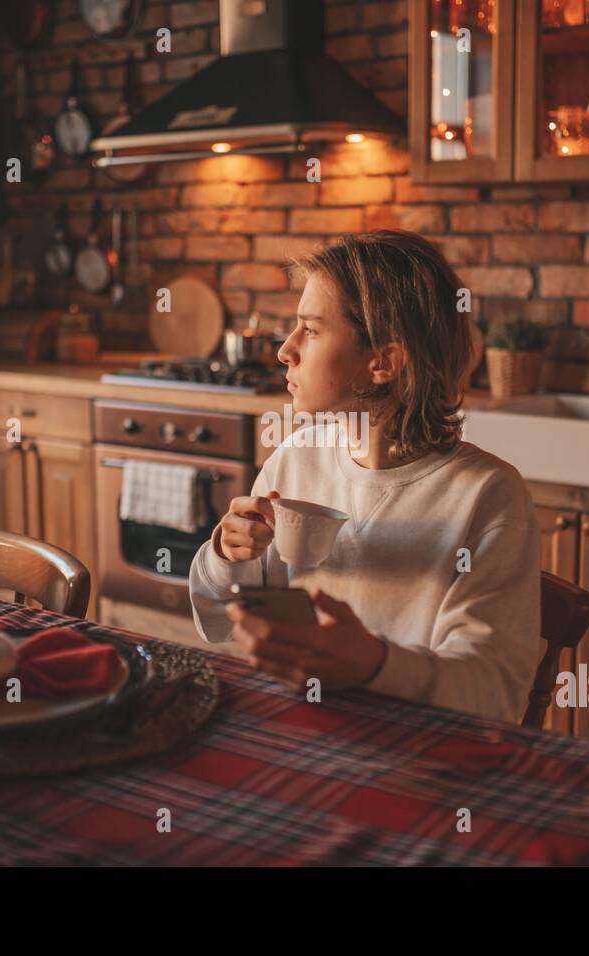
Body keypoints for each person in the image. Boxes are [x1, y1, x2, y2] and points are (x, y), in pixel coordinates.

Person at [188, 230, 540, 724]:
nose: (285, 351)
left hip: (415, 754)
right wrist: (226, 556)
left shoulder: (487, 496)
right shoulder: (294, 461)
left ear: (383, 363)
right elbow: (213, 616)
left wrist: (375, 665)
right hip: (301, 729)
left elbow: (494, 692)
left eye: (311, 330)